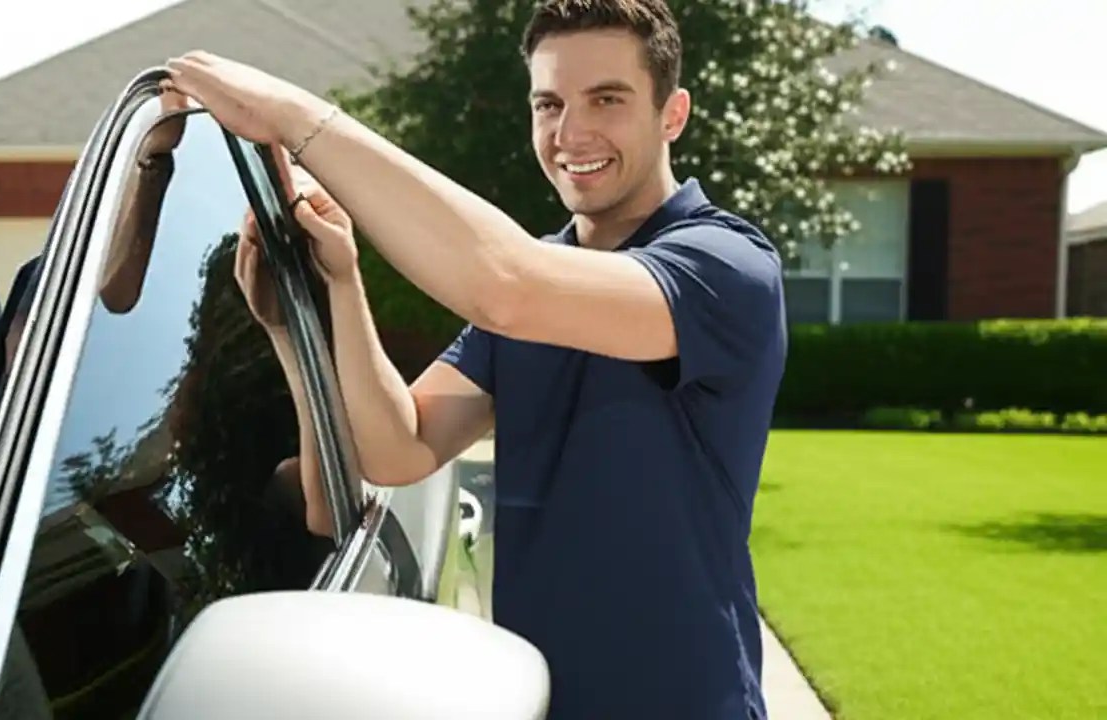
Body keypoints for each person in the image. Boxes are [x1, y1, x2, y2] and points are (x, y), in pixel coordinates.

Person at [166, 0, 787, 717]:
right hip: (540, 701)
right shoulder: (539, 275)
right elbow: (398, 447)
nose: (571, 132)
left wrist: (299, 119)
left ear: (672, 114)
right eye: (548, 103)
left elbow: (507, 286)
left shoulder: (724, 266)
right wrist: (334, 291)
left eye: (607, 100)